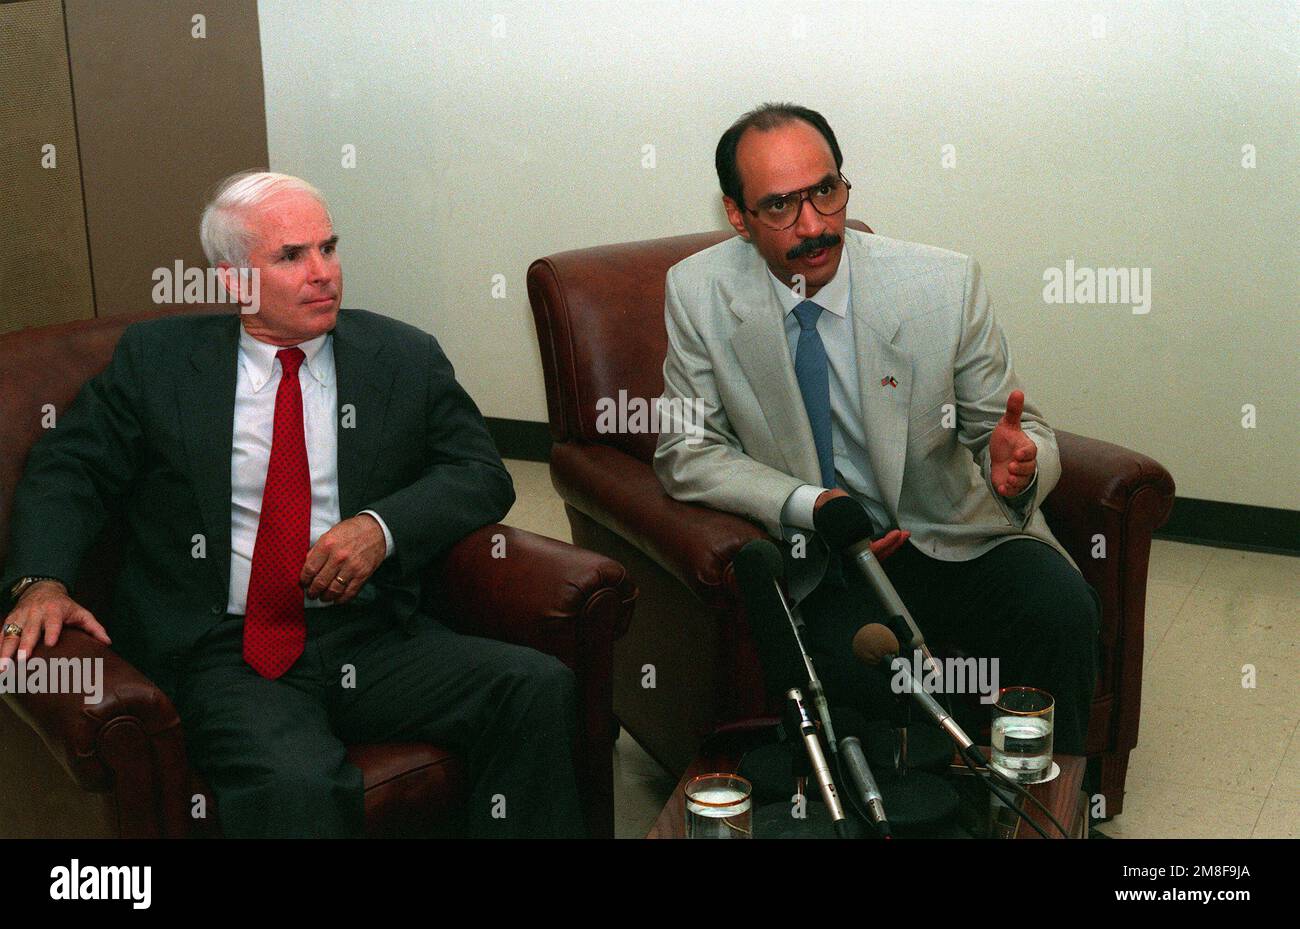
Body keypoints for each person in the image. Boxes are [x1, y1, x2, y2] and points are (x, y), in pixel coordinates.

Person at [1, 171, 584, 838]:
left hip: (367, 632)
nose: (324, 273)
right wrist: (40, 580)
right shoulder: (157, 363)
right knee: (296, 783)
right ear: (232, 280)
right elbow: (68, 467)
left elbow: (479, 472)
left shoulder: (400, 357)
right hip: (230, 648)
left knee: (535, 687)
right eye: (292, 256)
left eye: (329, 248)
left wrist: (381, 528)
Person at [654, 104, 1100, 755]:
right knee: (863, 677)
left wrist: (1017, 466)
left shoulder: (943, 285)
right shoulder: (699, 292)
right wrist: (813, 506)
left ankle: (1042, 809)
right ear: (737, 216)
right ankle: (937, 808)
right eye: (780, 206)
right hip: (831, 560)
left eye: (826, 192)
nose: (813, 225)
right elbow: (688, 449)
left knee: (1061, 607)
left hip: (949, 529)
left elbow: (1008, 426)